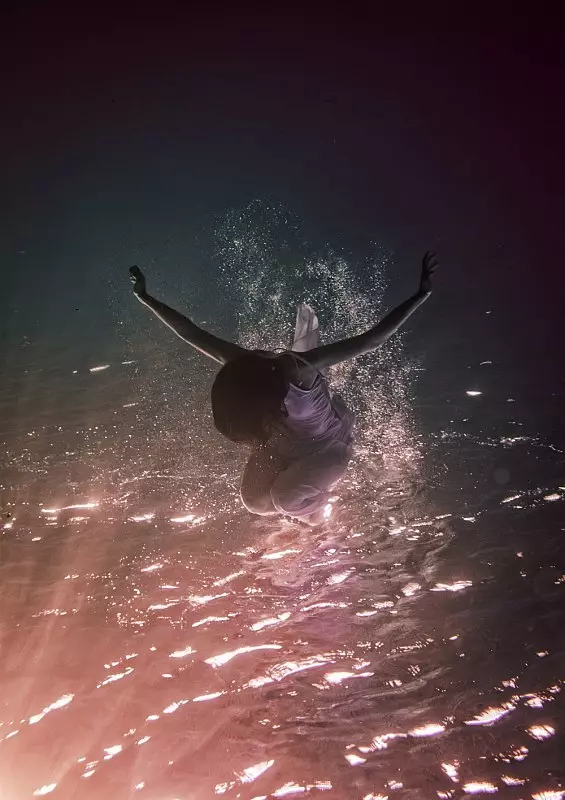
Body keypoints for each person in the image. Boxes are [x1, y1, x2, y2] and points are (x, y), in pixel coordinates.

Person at [129, 251, 437, 525]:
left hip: (327, 450)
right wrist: (146, 298)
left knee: (284, 501)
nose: (262, 352)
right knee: (253, 501)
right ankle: (298, 490)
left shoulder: (298, 370)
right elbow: (191, 333)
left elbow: (371, 340)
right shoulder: (245, 367)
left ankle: (315, 505)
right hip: (285, 445)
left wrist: (420, 295)